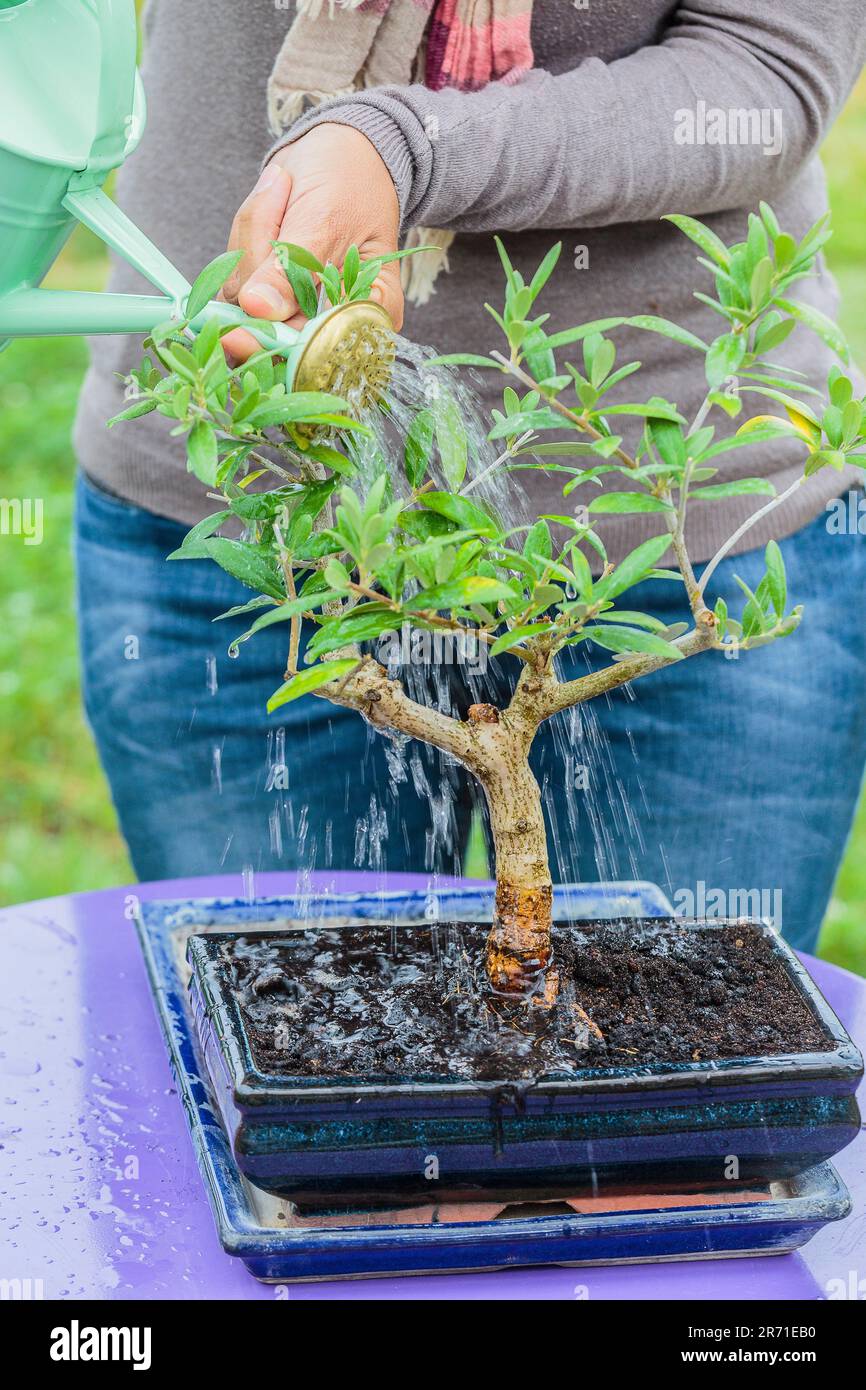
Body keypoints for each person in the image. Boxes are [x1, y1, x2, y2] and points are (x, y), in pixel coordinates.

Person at [75, 0, 866, 949]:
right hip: (251, 517)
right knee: (298, 1071)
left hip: (677, 533)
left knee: (667, 1079)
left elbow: (768, 67)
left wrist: (406, 146)